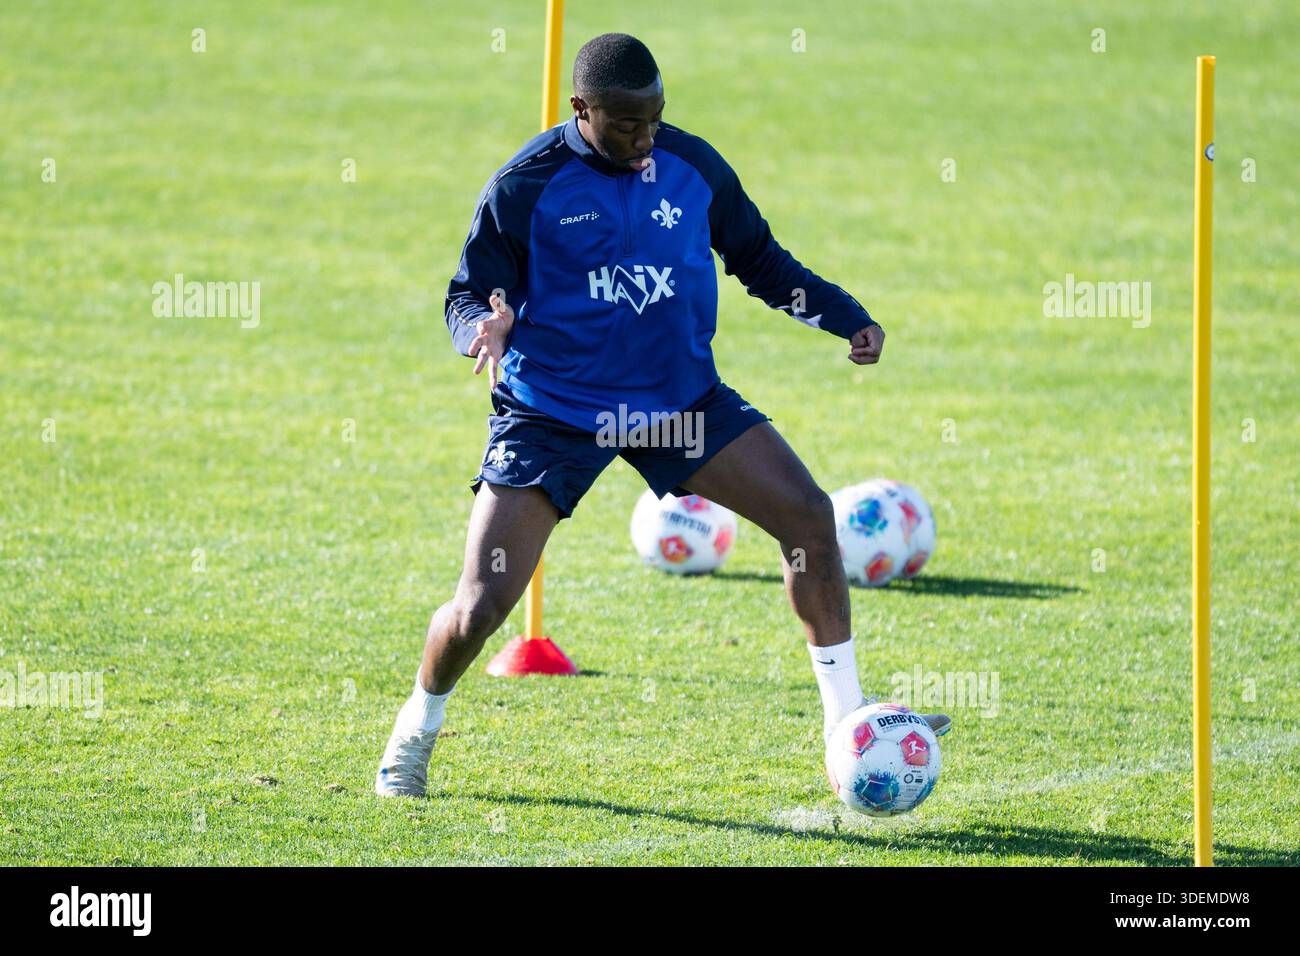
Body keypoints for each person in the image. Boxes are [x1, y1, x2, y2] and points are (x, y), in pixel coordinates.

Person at [376, 32, 949, 797]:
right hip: (555, 413)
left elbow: (761, 260)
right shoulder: (524, 186)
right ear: (581, 110)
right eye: (625, 126)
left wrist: (844, 317)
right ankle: (415, 731)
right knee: (481, 604)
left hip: (677, 402)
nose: (644, 139)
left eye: (654, 120)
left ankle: (845, 724)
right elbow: (465, 293)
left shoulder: (692, 166)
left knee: (810, 520)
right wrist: (480, 326)